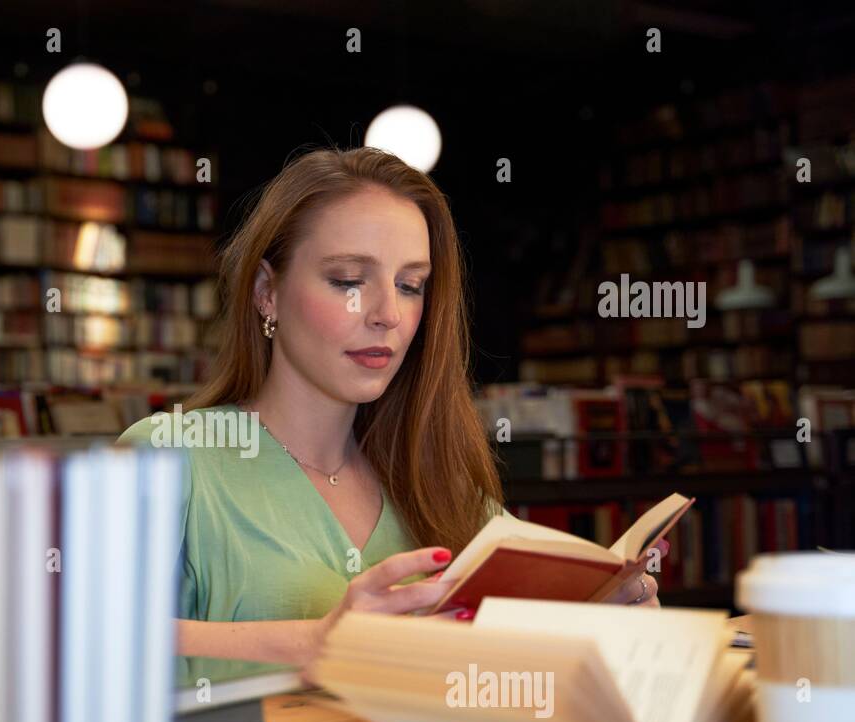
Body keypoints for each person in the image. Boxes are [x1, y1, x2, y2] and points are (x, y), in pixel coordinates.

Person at [119, 146, 661, 689]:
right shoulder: (167, 456)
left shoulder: (432, 476)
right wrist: (317, 643)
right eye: (349, 280)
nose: (388, 315)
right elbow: (73, 643)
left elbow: (536, 615)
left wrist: (604, 604)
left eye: (410, 286)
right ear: (268, 292)